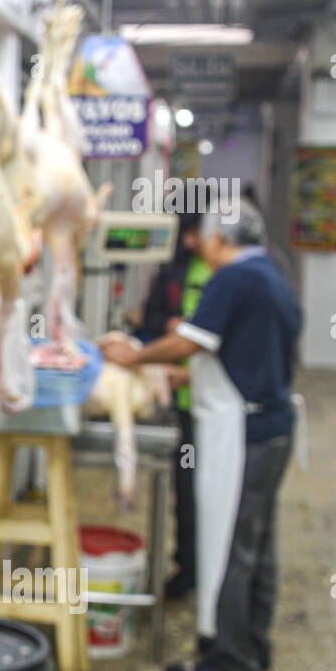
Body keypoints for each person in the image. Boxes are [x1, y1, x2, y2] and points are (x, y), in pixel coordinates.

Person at [102, 201, 302, 671]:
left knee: (233, 543)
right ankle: (254, 643)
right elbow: (237, 355)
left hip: (244, 435)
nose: (199, 250)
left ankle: (230, 662)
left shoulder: (234, 278)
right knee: (257, 543)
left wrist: (136, 356)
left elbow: (190, 341)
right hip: (272, 429)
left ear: (217, 239)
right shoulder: (272, 273)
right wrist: (169, 368)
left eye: (203, 240)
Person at [136, 215, 209, 598]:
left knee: (220, 492)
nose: (195, 241)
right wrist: (168, 325)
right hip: (182, 401)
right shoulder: (173, 271)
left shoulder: (227, 273)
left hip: (220, 405)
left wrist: (191, 328)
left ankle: (218, 571)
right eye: (190, 234)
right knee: (187, 486)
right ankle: (189, 565)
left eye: (201, 234)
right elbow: (149, 318)